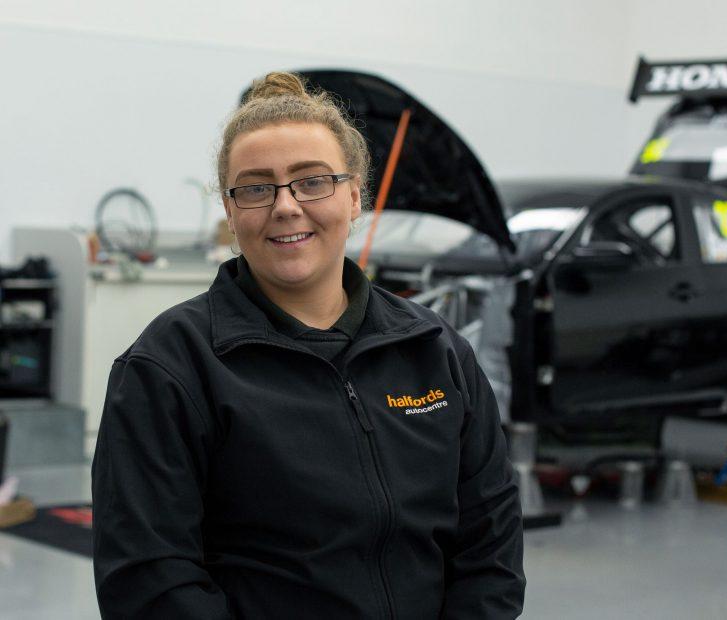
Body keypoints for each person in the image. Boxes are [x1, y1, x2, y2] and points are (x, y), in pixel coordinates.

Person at [91, 72, 525, 619]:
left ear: (353, 196)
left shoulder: (436, 353)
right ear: (230, 211)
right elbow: (149, 579)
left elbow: (491, 543)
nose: (286, 205)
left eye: (312, 181)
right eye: (255, 187)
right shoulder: (170, 368)